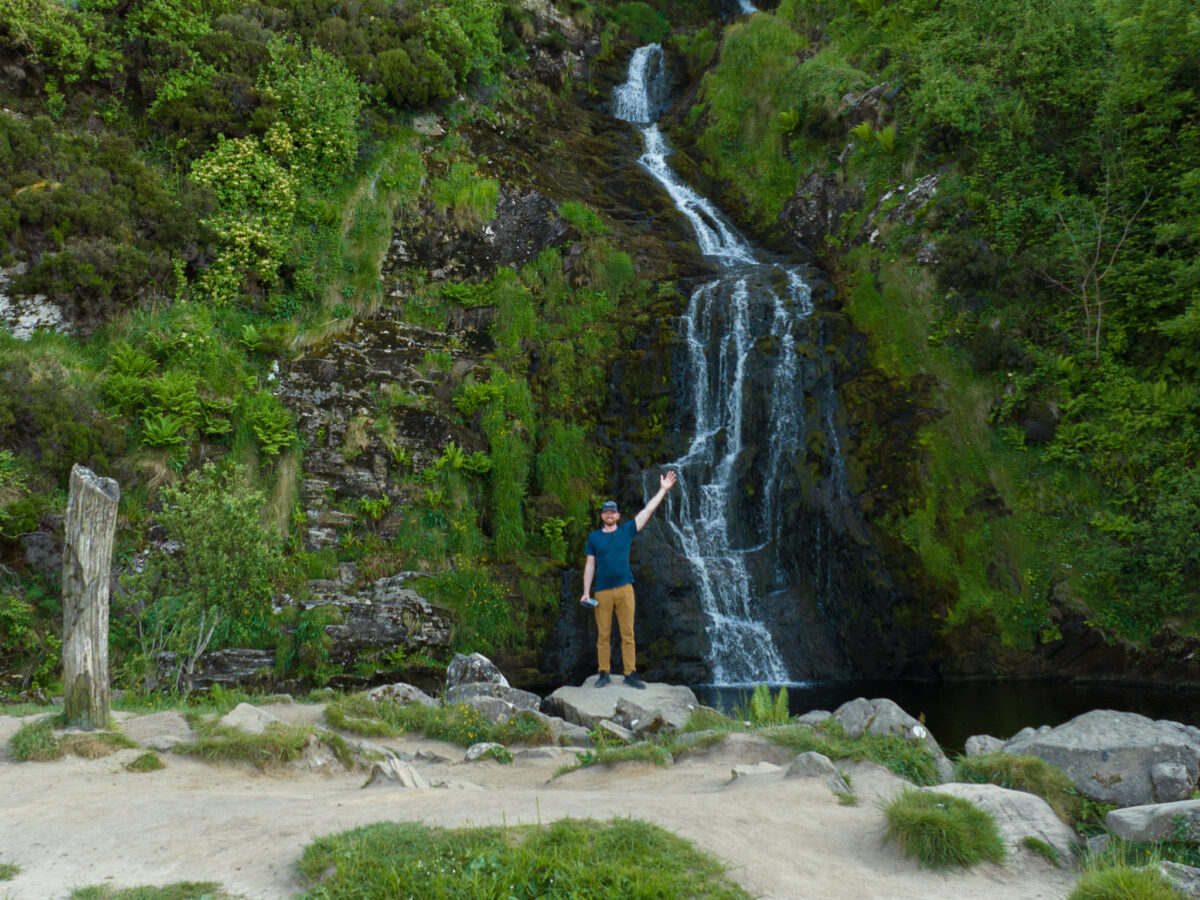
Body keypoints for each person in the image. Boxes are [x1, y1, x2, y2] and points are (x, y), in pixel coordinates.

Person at [579, 470, 677, 689]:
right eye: (606, 512)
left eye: (613, 512)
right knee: (603, 634)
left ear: (618, 516)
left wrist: (662, 489)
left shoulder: (626, 531)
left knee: (627, 632)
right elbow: (590, 565)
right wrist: (586, 592)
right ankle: (603, 672)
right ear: (602, 516)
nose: (609, 515)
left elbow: (648, 510)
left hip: (625, 589)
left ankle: (630, 673)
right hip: (602, 591)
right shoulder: (593, 537)